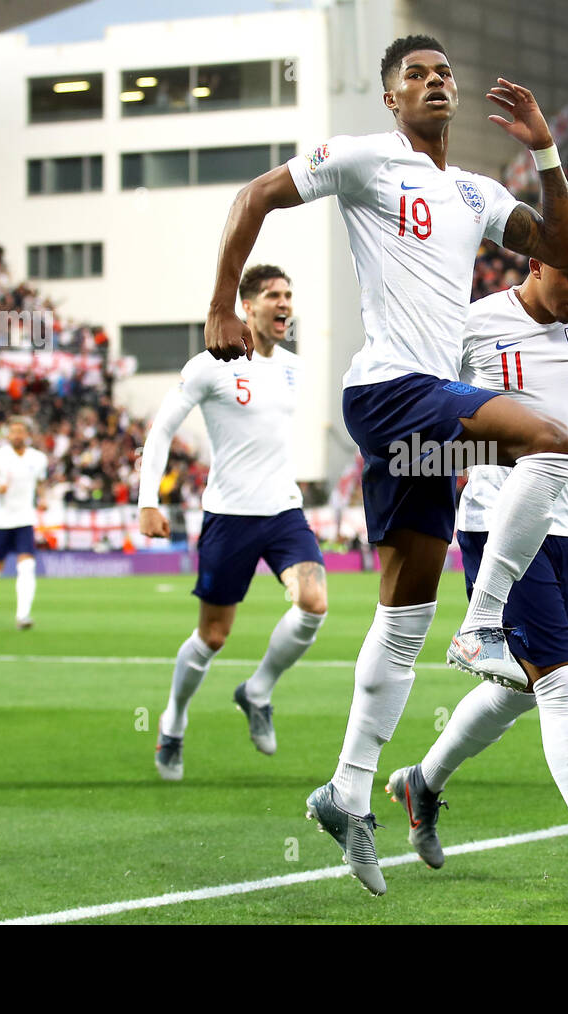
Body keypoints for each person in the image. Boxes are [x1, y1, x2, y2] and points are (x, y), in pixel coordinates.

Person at [200, 34, 568, 894]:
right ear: (390, 99)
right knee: (550, 442)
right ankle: (485, 623)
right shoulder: (371, 161)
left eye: (444, 73)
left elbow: (562, 249)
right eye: (417, 75)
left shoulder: (478, 193)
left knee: (403, 616)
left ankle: (346, 789)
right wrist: (221, 301)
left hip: (416, 422)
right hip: (388, 390)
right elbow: (257, 192)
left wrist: (545, 149)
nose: (435, 83)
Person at [383, 209, 568, 896]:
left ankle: (423, 782)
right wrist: (495, 452)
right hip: (492, 521)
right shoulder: (474, 325)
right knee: (562, 683)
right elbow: (418, 421)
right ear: (535, 261)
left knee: (518, 691)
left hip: (560, 527)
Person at [139, 264, 326, 779]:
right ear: (248, 306)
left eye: (288, 294)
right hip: (228, 516)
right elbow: (160, 432)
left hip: (284, 511)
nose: (284, 303)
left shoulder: (295, 368)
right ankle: (173, 722)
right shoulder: (209, 366)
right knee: (214, 636)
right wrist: (146, 502)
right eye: (273, 295)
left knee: (313, 602)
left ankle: (258, 689)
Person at [0, 418, 48, 629]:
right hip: (1, 520)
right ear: (7, 435)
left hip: (25, 519)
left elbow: (40, 483)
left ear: (27, 434)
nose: (17, 435)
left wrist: (42, 499)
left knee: (27, 566)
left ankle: (23, 616)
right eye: (13, 432)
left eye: (20, 432)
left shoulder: (38, 458)